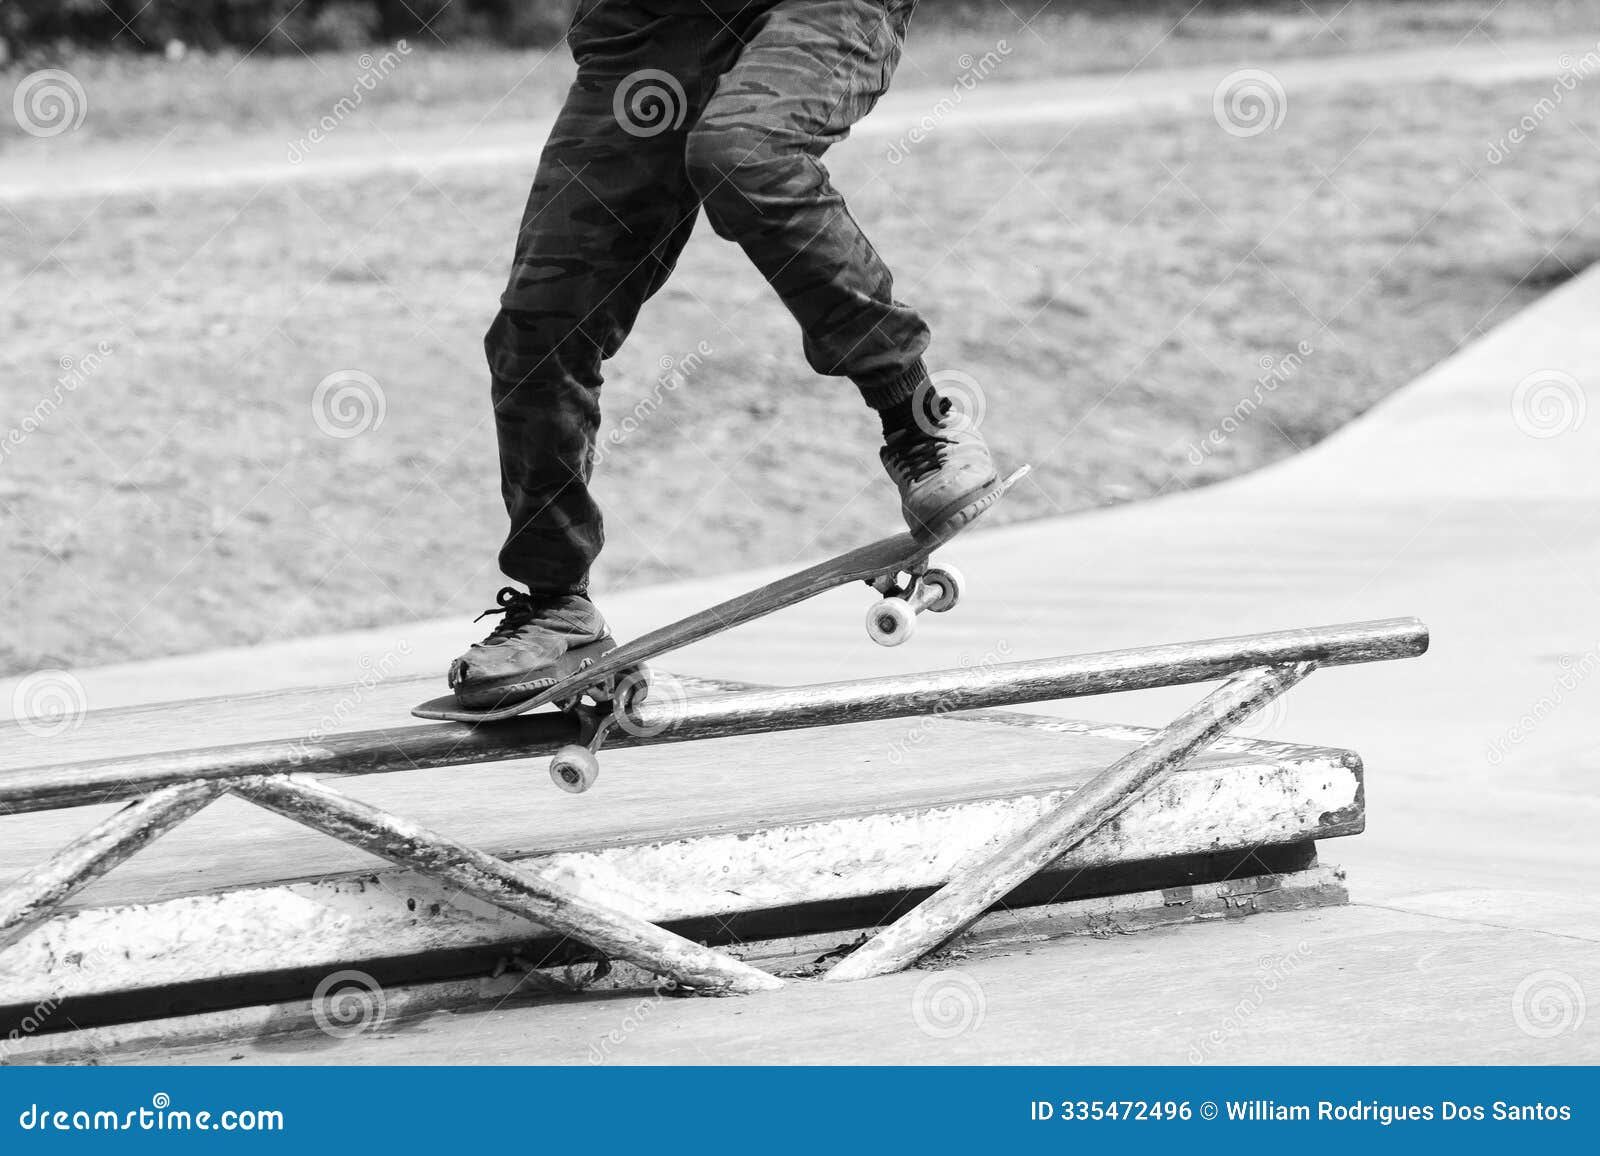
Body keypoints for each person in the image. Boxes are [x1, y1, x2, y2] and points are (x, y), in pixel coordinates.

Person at [450, 0, 999, 707]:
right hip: (648, 27)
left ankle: (920, 424)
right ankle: (556, 607)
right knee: (538, 324)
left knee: (745, 154)